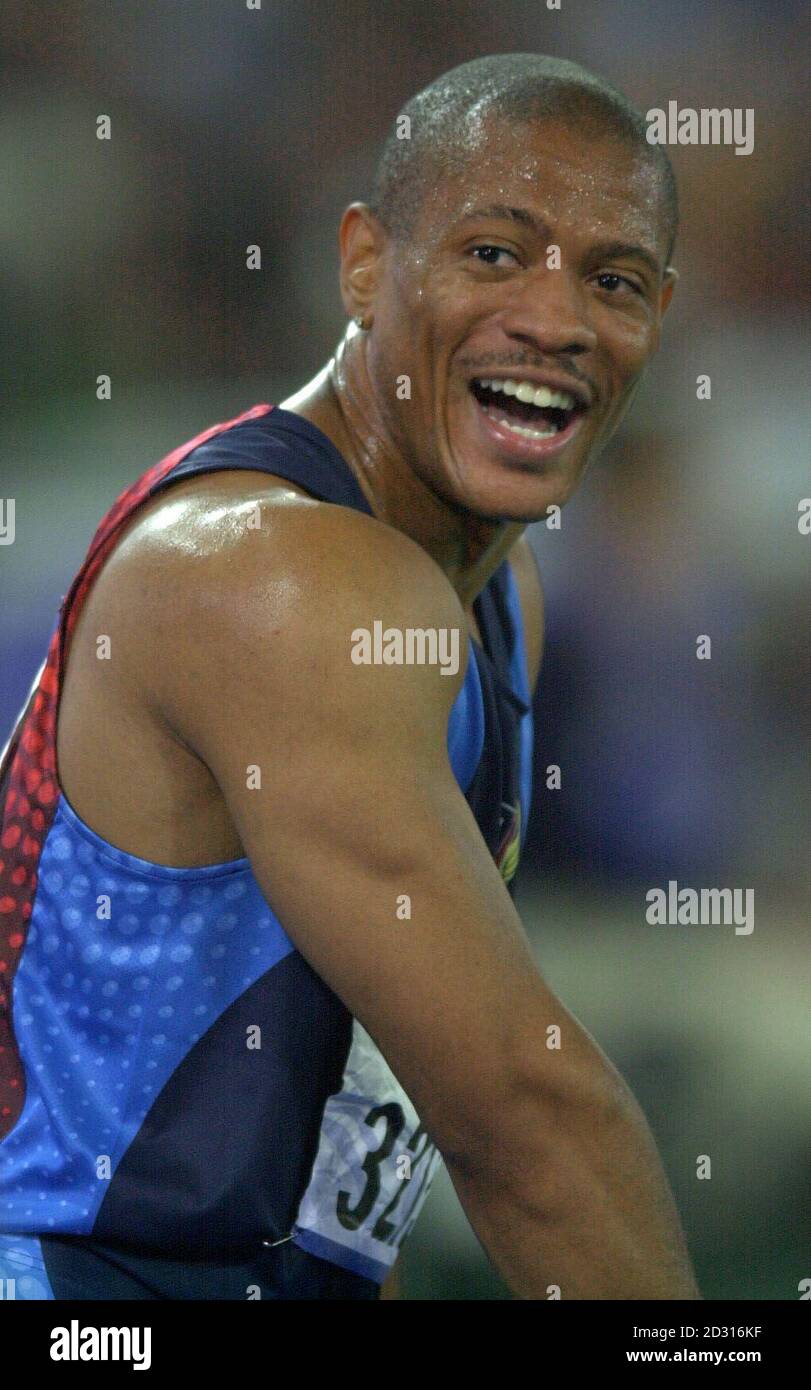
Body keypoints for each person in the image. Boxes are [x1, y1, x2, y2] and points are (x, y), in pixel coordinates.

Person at [0, 53, 698, 1300]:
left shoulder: (490, 595)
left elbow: (359, 1132)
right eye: (494, 253)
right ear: (366, 262)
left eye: (614, 279)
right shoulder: (275, 578)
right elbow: (523, 1118)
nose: (556, 319)